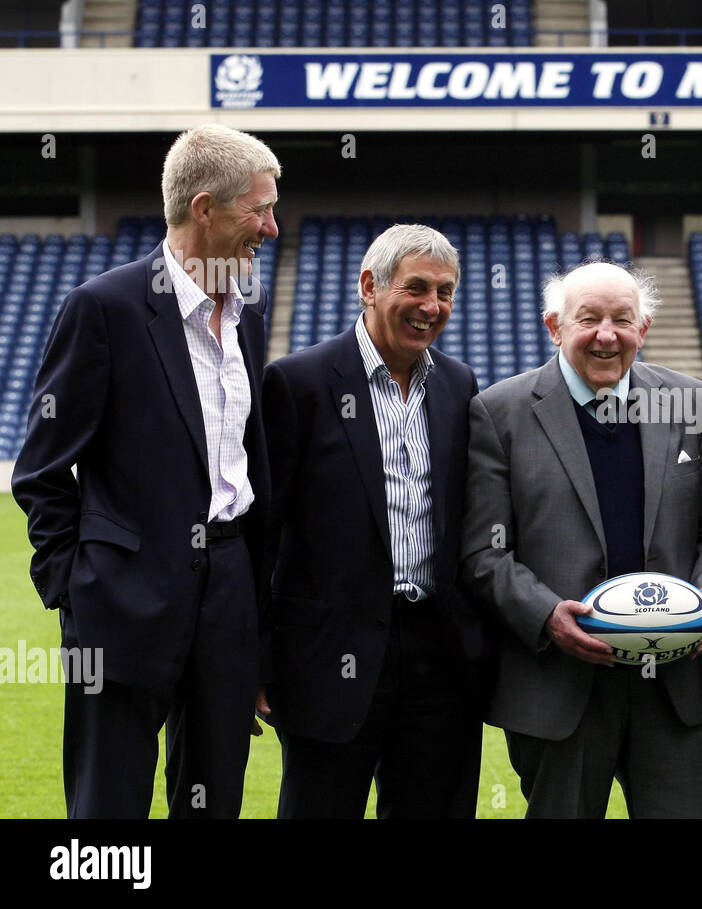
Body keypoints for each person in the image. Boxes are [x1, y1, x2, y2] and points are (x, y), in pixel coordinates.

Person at [12, 123, 280, 817]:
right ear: (203, 208)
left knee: (214, 797)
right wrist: (76, 591)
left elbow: (245, 465)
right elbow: (41, 469)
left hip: (227, 596)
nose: (271, 227)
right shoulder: (103, 308)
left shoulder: (247, 315)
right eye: (259, 210)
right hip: (119, 604)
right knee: (108, 808)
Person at [460, 260, 702, 818]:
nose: (606, 335)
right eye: (588, 319)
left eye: (622, 319)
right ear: (554, 326)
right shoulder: (500, 412)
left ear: (644, 329)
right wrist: (547, 617)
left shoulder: (689, 402)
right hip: (558, 684)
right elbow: (484, 552)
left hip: (672, 681)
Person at [258, 224, 491, 818]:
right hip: (330, 655)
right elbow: (261, 534)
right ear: (370, 285)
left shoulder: (459, 385)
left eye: (445, 292)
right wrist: (255, 661)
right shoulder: (298, 382)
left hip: (439, 654)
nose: (431, 307)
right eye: (416, 288)